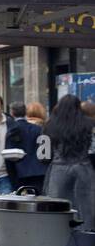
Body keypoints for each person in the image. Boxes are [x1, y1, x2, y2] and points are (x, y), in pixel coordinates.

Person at [42, 95, 95, 231]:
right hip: (83, 168)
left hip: (58, 170)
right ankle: (86, 241)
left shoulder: (49, 125)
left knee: (56, 208)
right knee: (86, 208)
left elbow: (42, 155)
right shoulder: (89, 124)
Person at [8, 101, 47, 193]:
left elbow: (9, 156)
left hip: (19, 172)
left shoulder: (12, 130)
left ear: (12, 113)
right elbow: (46, 154)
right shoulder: (39, 129)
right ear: (25, 112)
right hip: (39, 172)